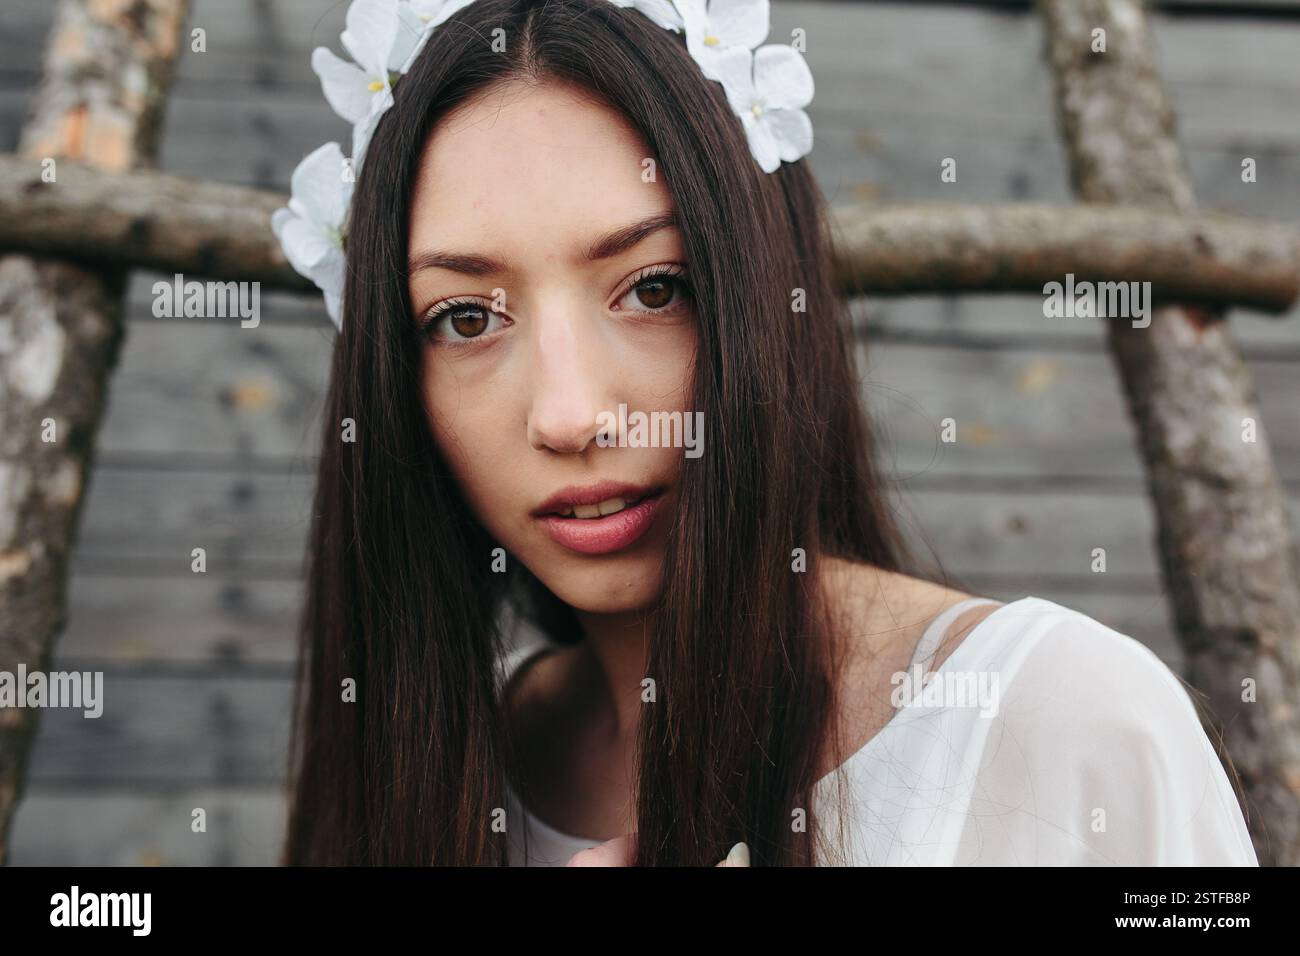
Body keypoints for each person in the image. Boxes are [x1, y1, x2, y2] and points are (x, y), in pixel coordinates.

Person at [279, 0, 1259, 866]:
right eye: (464, 317)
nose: (572, 414)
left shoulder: (1060, 721)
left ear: (765, 294)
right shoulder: (436, 756)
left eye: (655, 288)